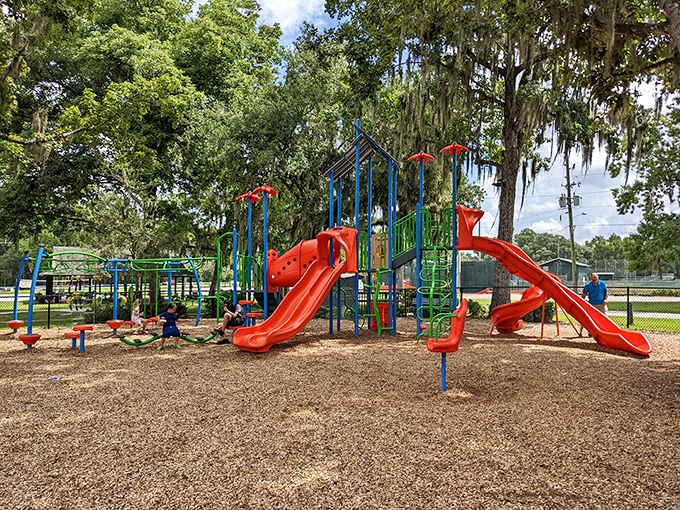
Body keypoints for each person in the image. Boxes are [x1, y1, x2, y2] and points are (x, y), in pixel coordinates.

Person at [580, 272, 608, 337]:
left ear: (598, 278)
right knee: (591, 319)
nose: (595, 281)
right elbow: (584, 295)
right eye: (593, 280)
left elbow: (606, 292)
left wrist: (605, 299)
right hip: (592, 305)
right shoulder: (588, 285)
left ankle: (605, 332)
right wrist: (582, 302)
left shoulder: (602, 283)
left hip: (601, 304)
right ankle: (591, 331)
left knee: (605, 318)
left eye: (596, 280)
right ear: (591, 278)